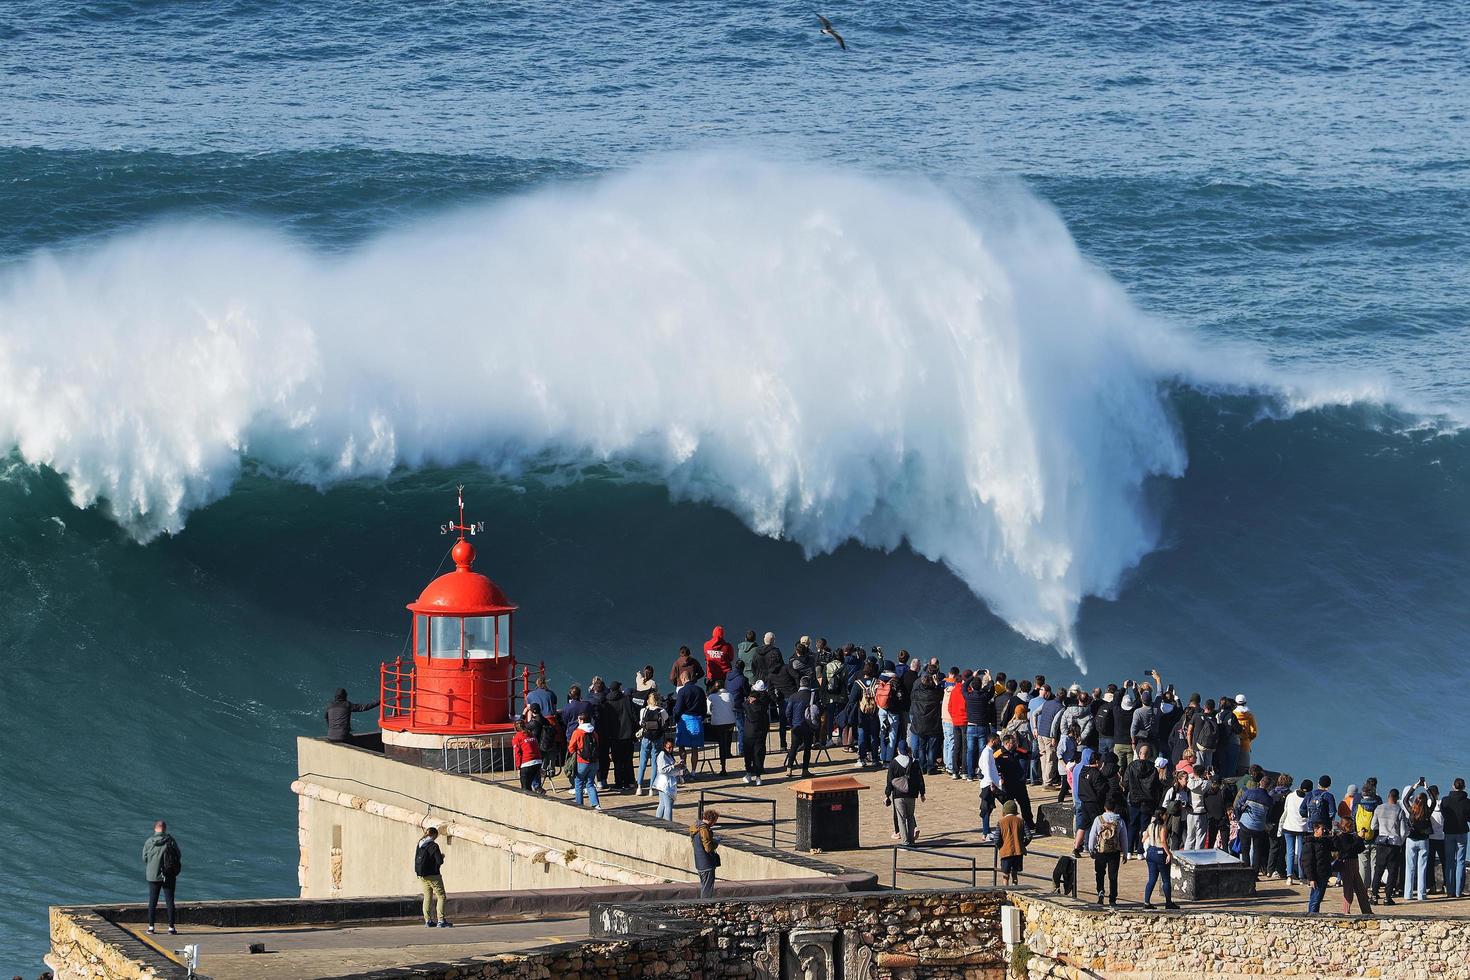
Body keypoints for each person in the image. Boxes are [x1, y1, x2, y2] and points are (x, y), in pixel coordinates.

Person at [1087, 799, 1130, 906]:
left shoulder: (1099, 819)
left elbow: (1092, 835)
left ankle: (1100, 892)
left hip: (1101, 851)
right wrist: (1125, 853)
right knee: (1113, 876)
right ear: (1114, 808)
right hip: (1114, 852)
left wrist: (1091, 849)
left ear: (1105, 808)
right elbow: (1124, 838)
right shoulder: (1119, 821)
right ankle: (1112, 899)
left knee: (1100, 873)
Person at [142, 821, 182, 935]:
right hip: (168, 874)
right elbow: (178, 855)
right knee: (169, 901)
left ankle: (151, 927)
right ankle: (171, 928)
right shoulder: (171, 840)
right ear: (165, 829)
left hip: (153, 875)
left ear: (155, 828)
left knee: (152, 902)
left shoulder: (149, 841)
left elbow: (144, 858)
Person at [1371, 788, 1407, 906]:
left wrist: (1381, 829)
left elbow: (1373, 826)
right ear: (1397, 798)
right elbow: (1403, 831)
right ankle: (1387, 897)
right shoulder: (1399, 811)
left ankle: (1374, 896)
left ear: (1388, 796)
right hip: (1394, 844)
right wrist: (1400, 841)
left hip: (1381, 841)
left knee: (1378, 870)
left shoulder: (1379, 808)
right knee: (1392, 871)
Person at [1124, 744, 1161, 857]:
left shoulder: (1131, 766)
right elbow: (1156, 786)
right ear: (1149, 755)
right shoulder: (1153, 769)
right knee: (1144, 827)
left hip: (1134, 799)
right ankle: (1141, 851)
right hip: (1147, 801)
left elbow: (1125, 782)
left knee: (1132, 825)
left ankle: (1129, 850)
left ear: (1139, 753)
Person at [885, 744, 926, 845]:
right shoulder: (914, 762)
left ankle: (905, 842)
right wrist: (922, 793)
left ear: (898, 750)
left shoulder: (894, 762)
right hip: (911, 794)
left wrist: (887, 794)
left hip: (898, 794)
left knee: (901, 819)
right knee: (910, 817)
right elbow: (920, 778)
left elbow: (890, 780)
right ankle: (911, 841)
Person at [1141, 808, 1180, 910]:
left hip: (1150, 852)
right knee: (1166, 880)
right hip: (1160, 853)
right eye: (1165, 814)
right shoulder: (1163, 827)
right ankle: (1168, 903)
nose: (1167, 816)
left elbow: (1143, 839)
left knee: (1152, 879)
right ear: (1162, 815)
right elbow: (1163, 841)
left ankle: (1146, 902)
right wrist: (1169, 854)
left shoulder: (1151, 825)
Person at [1334, 817, 1374, 915]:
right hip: (1346, 863)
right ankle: (1345, 911)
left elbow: (1360, 849)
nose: (1352, 827)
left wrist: (1360, 838)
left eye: (1352, 825)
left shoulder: (1351, 836)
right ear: (1344, 826)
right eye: (1349, 826)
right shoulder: (1341, 837)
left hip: (1354, 863)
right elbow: (1348, 849)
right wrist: (1358, 838)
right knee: (1348, 889)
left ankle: (1367, 911)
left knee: (1361, 890)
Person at [1233, 778, 1272, 875]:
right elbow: (1268, 816)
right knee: (1257, 851)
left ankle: (1247, 873)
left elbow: (1238, 805)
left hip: (1245, 825)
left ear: (1260, 783)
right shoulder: (1269, 799)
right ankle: (1255, 874)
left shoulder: (1249, 792)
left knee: (1245, 849)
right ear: (1268, 786)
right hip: (1259, 828)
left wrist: (1238, 819)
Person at [671, 671, 708, 772]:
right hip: (696, 720)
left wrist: (676, 718)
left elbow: (678, 708)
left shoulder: (682, 691)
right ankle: (693, 771)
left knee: (682, 746)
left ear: (683, 679)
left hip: (684, 720)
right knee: (694, 748)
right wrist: (702, 717)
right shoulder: (700, 690)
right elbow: (704, 707)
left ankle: (684, 769)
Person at [415, 826, 450, 928]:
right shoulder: (433, 846)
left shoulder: (420, 844)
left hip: (422, 875)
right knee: (441, 896)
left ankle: (428, 920)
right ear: (434, 835)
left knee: (427, 897)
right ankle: (441, 920)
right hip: (433, 875)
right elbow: (439, 861)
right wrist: (442, 857)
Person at [605, 681, 638, 790]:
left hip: (614, 736)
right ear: (619, 689)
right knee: (628, 760)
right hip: (628, 735)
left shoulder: (607, 703)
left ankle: (619, 782)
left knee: (617, 761)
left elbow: (607, 720)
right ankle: (630, 781)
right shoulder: (627, 700)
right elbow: (634, 717)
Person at [783, 675, 818, 778]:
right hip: (808, 725)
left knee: (793, 747)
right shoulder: (812, 696)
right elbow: (816, 712)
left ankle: (789, 769)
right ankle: (805, 770)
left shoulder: (793, 696)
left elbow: (788, 712)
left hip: (796, 725)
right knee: (807, 748)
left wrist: (791, 723)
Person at [566, 713, 602, 810]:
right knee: (590, 783)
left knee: (578, 784)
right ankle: (596, 804)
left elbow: (571, 747)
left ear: (581, 721)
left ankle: (579, 805)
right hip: (594, 762)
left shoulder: (577, 732)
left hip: (581, 761)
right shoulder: (594, 732)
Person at [1441, 777, 1469, 898]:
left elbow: (1443, 813)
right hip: (1462, 832)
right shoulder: (1467, 802)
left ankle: (1450, 891)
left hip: (1449, 832)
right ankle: (1458, 891)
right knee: (1461, 861)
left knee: (1449, 862)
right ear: (1464, 787)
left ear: (1453, 786)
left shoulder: (1445, 800)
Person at [636, 692, 669, 795]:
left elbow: (641, 722)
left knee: (642, 763)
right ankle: (652, 788)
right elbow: (666, 720)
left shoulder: (643, 710)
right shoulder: (662, 711)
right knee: (655, 763)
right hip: (657, 738)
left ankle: (639, 787)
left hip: (646, 737)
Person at [1281, 778, 1311, 884]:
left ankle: (1289, 876)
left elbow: (1286, 810)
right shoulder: (1308, 799)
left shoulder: (1290, 796)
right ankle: (1301, 876)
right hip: (1302, 828)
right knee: (1301, 853)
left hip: (1288, 826)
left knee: (1290, 852)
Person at [1404, 789, 1433, 901]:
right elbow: (1434, 801)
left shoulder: (1412, 810)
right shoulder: (1427, 811)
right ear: (1426, 801)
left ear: (1416, 800)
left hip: (1411, 840)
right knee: (1422, 868)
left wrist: (1414, 787)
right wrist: (1427, 788)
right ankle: (1421, 894)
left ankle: (1408, 894)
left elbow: (1406, 799)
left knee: (1410, 867)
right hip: (1423, 841)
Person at [742, 680, 772, 785]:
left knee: (748, 754)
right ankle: (758, 776)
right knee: (758, 754)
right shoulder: (764, 703)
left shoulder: (747, 706)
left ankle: (748, 773)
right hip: (761, 731)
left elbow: (744, 704)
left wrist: (748, 701)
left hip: (749, 732)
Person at [707, 680, 737, 775]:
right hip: (730, 722)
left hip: (719, 723)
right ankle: (727, 753)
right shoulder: (730, 695)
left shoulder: (712, 697)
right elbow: (732, 706)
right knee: (726, 742)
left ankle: (723, 767)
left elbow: (708, 710)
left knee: (721, 745)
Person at [1303, 822, 1334, 914]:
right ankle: (1312, 916)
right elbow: (1307, 863)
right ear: (1315, 830)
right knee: (1315, 899)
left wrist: (1333, 836)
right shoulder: (1310, 844)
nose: (1324, 831)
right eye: (1322, 829)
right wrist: (1311, 878)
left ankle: (1314, 914)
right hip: (1317, 876)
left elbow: (1335, 847)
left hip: (1323, 874)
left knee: (1318, 898)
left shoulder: (1324, 842)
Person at [653, 736, 685, 821]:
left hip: (665, 782)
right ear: (664, 746)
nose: (670, 749)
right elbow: (662, 769)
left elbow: (671, 768)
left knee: (663, 804)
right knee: (668, 806)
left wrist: (678, 766)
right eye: (669, 747)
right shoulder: (662, 755)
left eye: (672, 747)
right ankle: (669, 824)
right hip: (665, 783)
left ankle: (657, 822)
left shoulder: (668, 755)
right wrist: (674, 765)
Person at [690, 809, 721, 898]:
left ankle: (703, 904)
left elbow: (697, 843)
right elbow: (708, 848)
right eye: (715, 821)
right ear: (711, 819)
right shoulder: (704, 829)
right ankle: (705, 904)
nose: (714, 823)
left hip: (699, 861)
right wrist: (716, 842)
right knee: (707, 887)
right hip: (707, 862)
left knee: (704, 885)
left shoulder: (695, 827)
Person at [997, 800, 1027, 886]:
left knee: (1005, 875)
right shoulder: (1021, 821)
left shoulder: (1001, 822)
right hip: (1018, 852)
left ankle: (1006, 891)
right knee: (1015, 874)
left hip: (1006, 853)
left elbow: (996, 839)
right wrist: (1022, 844)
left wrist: (1001, 847)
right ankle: (1015, 890)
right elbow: (1029, 836)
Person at [512, 721, 543, 792]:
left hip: (526, 763)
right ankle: (538, 789)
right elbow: (537, 748)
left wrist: (518, 767)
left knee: (525, 788)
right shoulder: (531, 735)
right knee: (536, 783)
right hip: (537, 761)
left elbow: (517, 753)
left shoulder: (517, 737)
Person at [1233, 694, 1257, 774]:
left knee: (1233, 765)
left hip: (1234, 742)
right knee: (1244, 767)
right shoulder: (1249, 715)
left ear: (1236, 703)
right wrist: (1248, 739)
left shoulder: (1233, 714)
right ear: (1245, 702)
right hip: (1245, 743)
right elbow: (1254, 732)